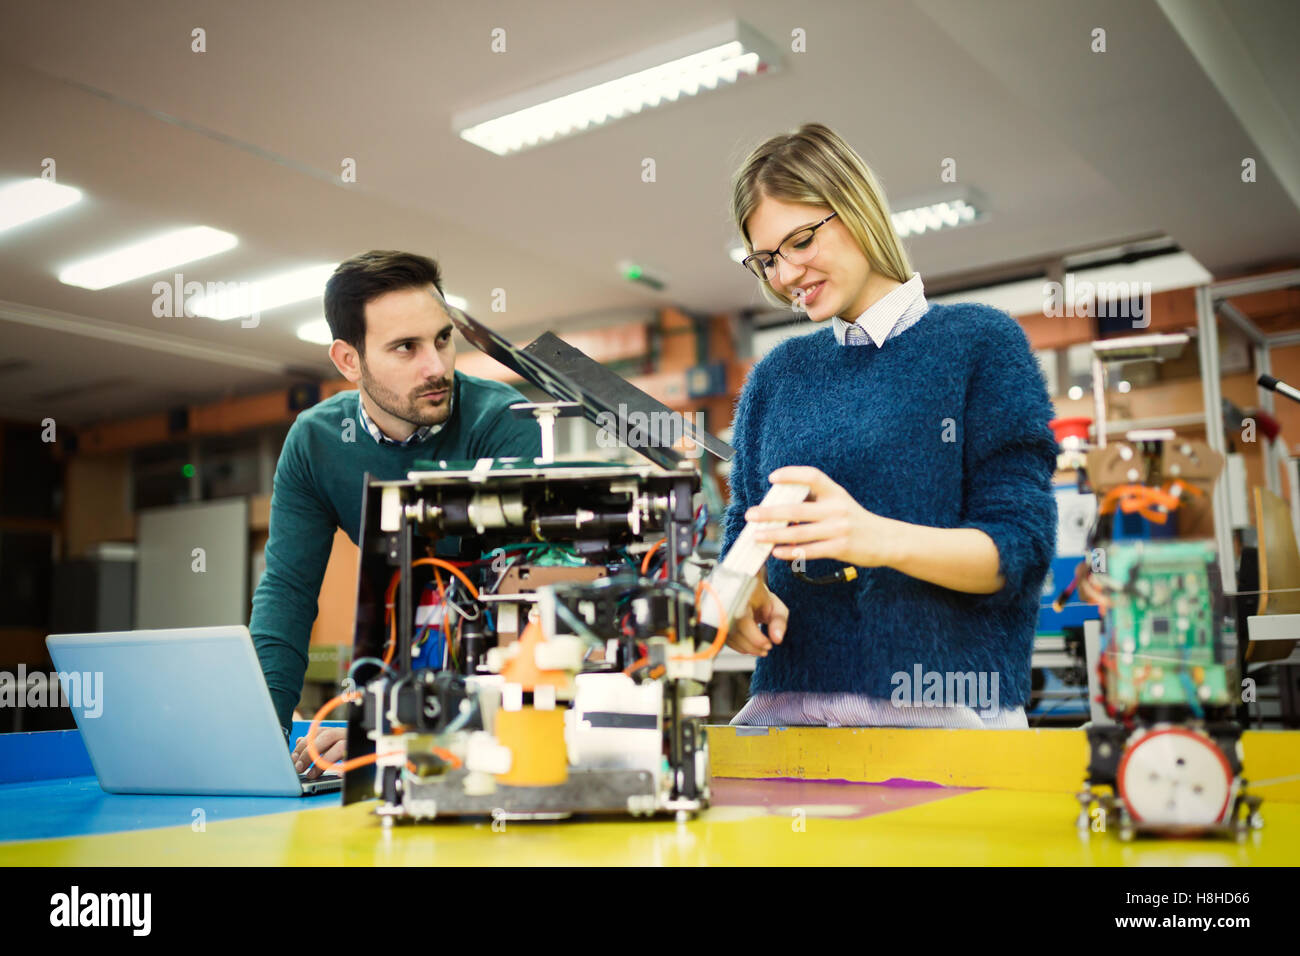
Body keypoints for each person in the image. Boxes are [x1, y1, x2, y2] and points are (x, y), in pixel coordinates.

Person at [720, 124, 1058, 729]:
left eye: (799, 241)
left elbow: (1018, 553)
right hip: (792, 718)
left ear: (855, 207)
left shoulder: (979, 345)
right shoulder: (775, 377)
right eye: (766, 260)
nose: (787, 275)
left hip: (943, 717)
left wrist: (874, 538)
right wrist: (739, 596)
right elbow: (738, 549)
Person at [249, 250, 541, 776]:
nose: (436, 366)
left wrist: (397, 728)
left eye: (443, 340)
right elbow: (287, 596)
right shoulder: (316, 442)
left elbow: (512, 602)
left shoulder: (502, 421)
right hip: (402, 669)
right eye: (406, 348)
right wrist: (255, 748)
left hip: (500, 692)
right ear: (348, 361)